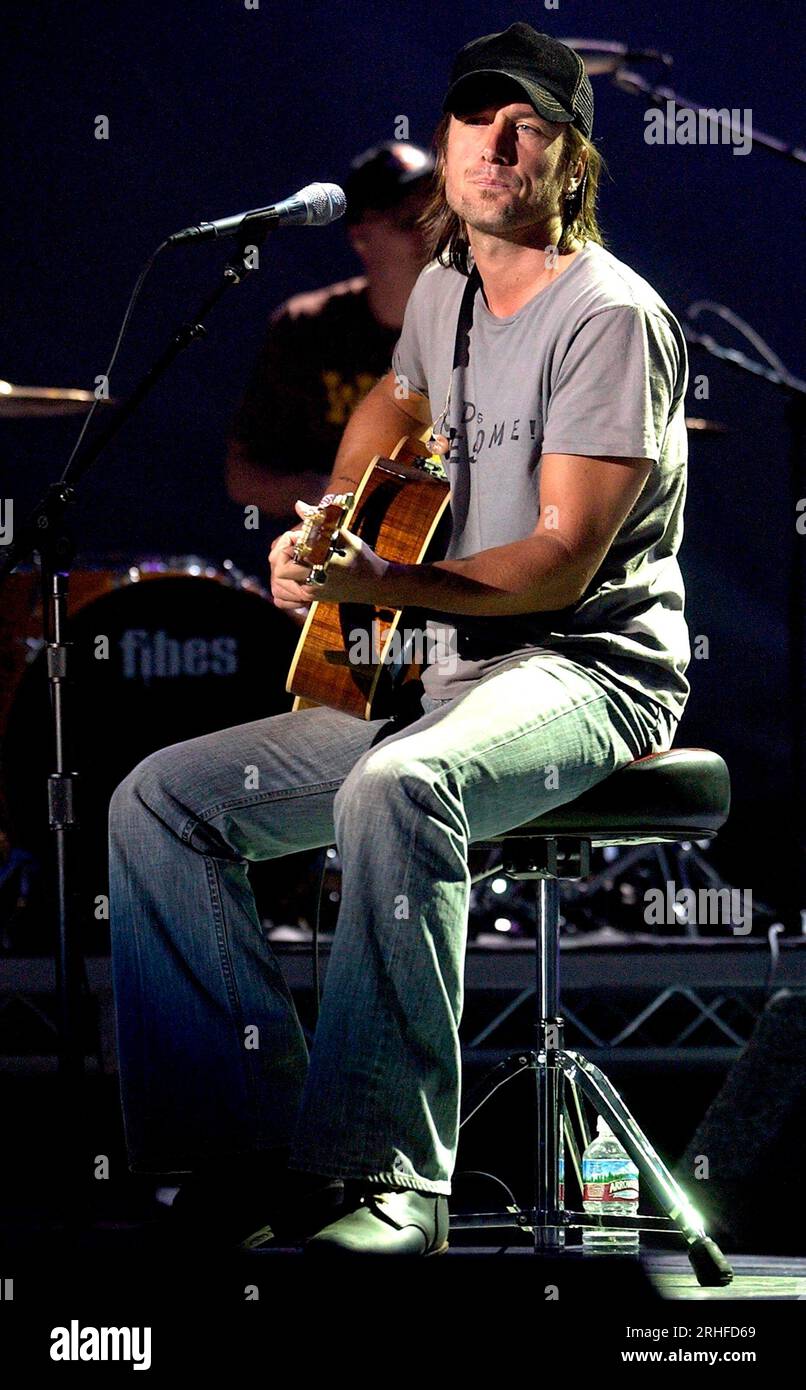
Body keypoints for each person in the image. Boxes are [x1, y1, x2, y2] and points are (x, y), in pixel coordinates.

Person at [109, 23, 690, 1256]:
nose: (493, 143)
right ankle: (250, 1150)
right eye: (471, 120)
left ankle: (387, 1180)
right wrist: (325, 531)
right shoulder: (443, 293)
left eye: (523, 124)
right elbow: (396, 400)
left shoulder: (609, 315)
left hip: (587, 669)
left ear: (568, 159)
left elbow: (556, 561)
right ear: (442, 147)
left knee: (400, 778)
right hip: (449, 670)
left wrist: (390, 580)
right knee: (161, 799)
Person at [225, 140, 435, 527]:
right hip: (329, 552)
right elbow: (244, 473)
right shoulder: (307, 326)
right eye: (409, 223)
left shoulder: (477, 324)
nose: (431, 236)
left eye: (439, 219)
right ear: (360, 235)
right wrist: (331, 498)